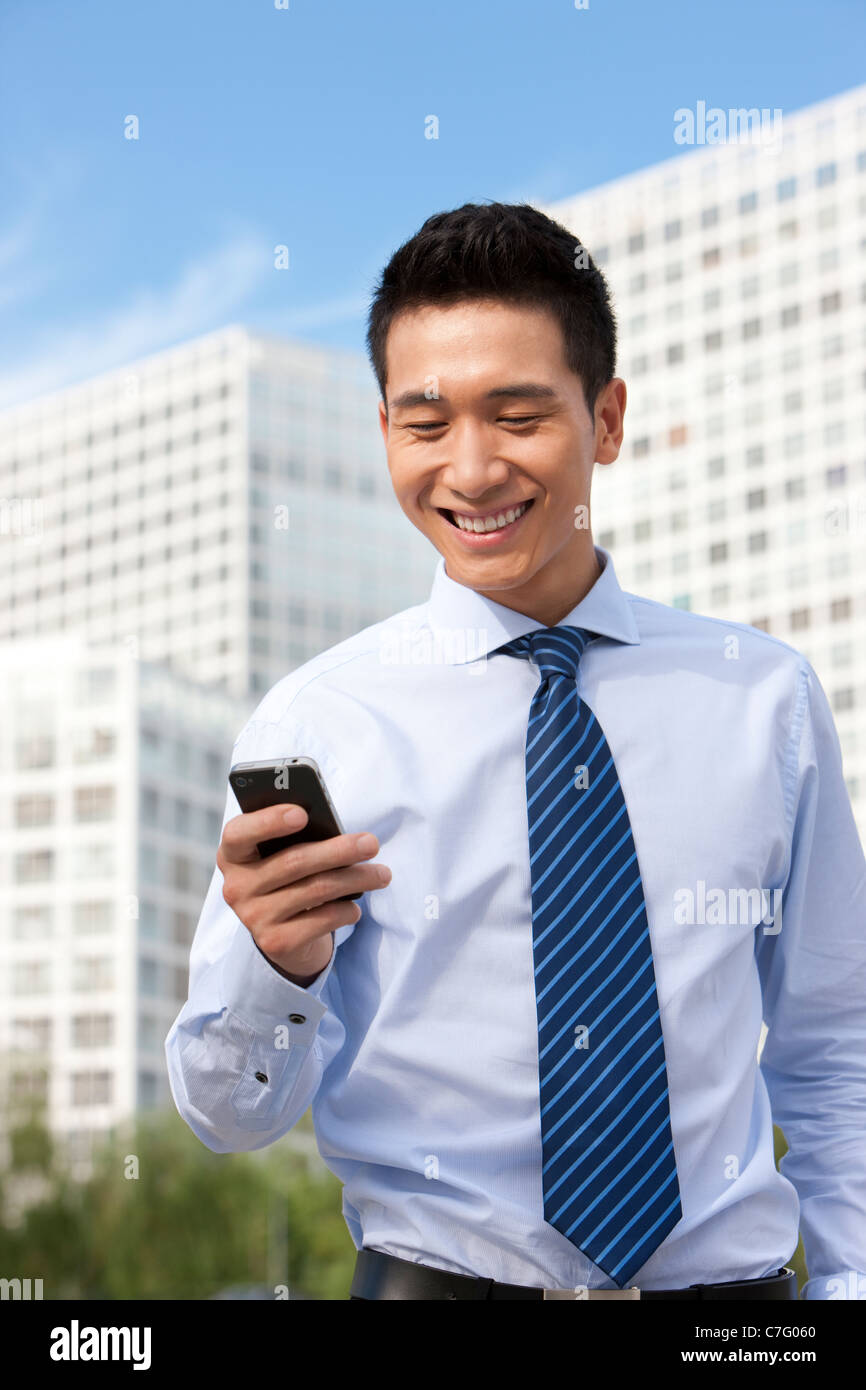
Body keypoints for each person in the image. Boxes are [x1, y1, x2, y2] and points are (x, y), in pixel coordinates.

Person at [166, 201, 866, 1302]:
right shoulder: (319, 723)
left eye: (518, 414)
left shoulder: (762, 700)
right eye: (425, 422)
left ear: (607, 418)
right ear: (383, 431)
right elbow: (226, 1114)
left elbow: (838, 1050)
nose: (473, 468)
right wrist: (274, 969)